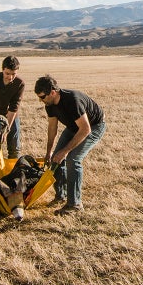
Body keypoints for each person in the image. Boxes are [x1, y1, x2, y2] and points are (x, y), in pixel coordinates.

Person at [35, 74, 106, 216]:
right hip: (73, 127)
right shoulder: (49, 105)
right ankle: (61, 195)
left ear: (53, 92)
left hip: (94, 126)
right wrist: (49, 152)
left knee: (73, 159)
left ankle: (75, 205)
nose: (40, 100)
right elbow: (52, 128)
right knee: (55, 158)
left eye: (42, 97)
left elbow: (85, 129)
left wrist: (65, 151)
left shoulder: (73, 100)